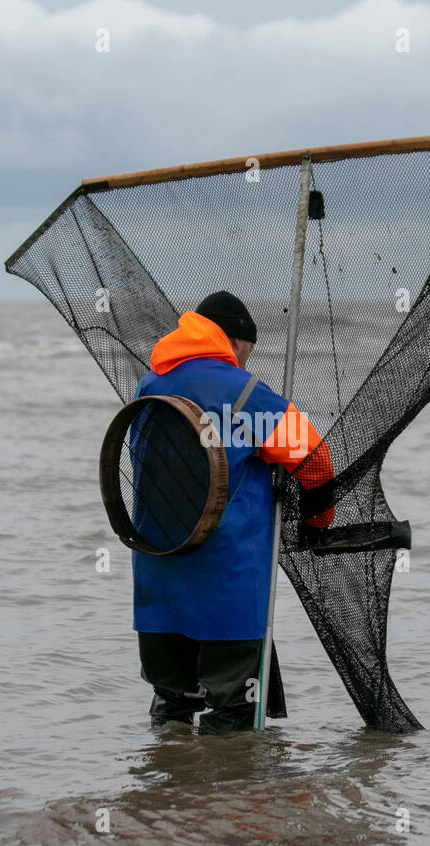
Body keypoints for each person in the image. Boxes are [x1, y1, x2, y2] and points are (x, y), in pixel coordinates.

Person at [133, 290, 334, 733]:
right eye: (246, 353)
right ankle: (231, 797)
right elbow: (316, 461)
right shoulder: (242, 393)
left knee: (172, 708)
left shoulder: (148, 384)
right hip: (228, 584)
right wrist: (317, 522)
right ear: (237, 344)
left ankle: (165, 791)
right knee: (236, 715)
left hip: (158, 579)